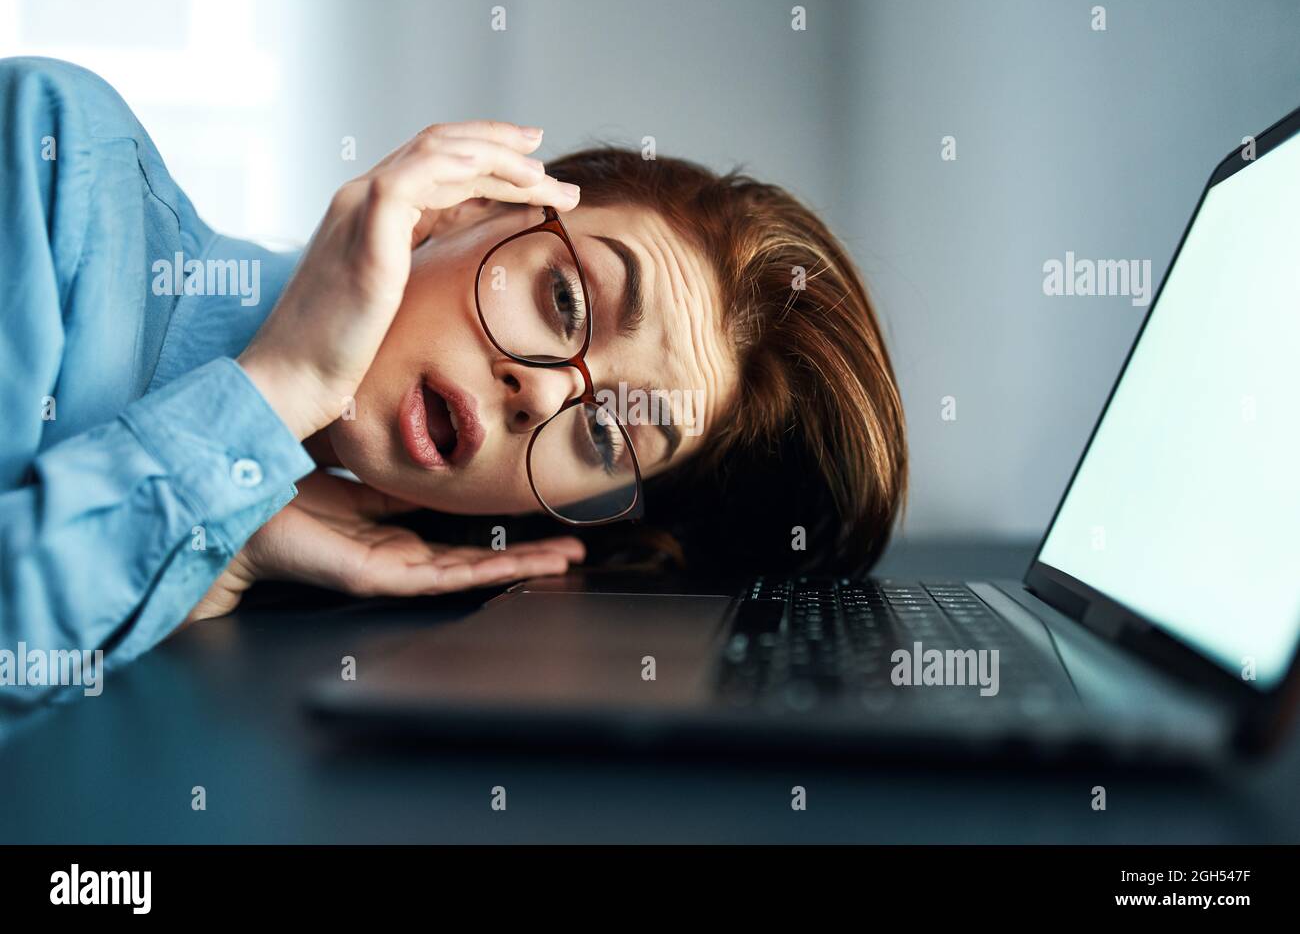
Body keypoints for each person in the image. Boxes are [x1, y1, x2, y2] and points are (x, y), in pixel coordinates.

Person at [0, 57, 907, 696]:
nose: (548, 394)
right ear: (464, 203)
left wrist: (229, 538)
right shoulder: (54, 156)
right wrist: (277, 390)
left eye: (608, 434)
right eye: (566, 301)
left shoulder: (285, 554)